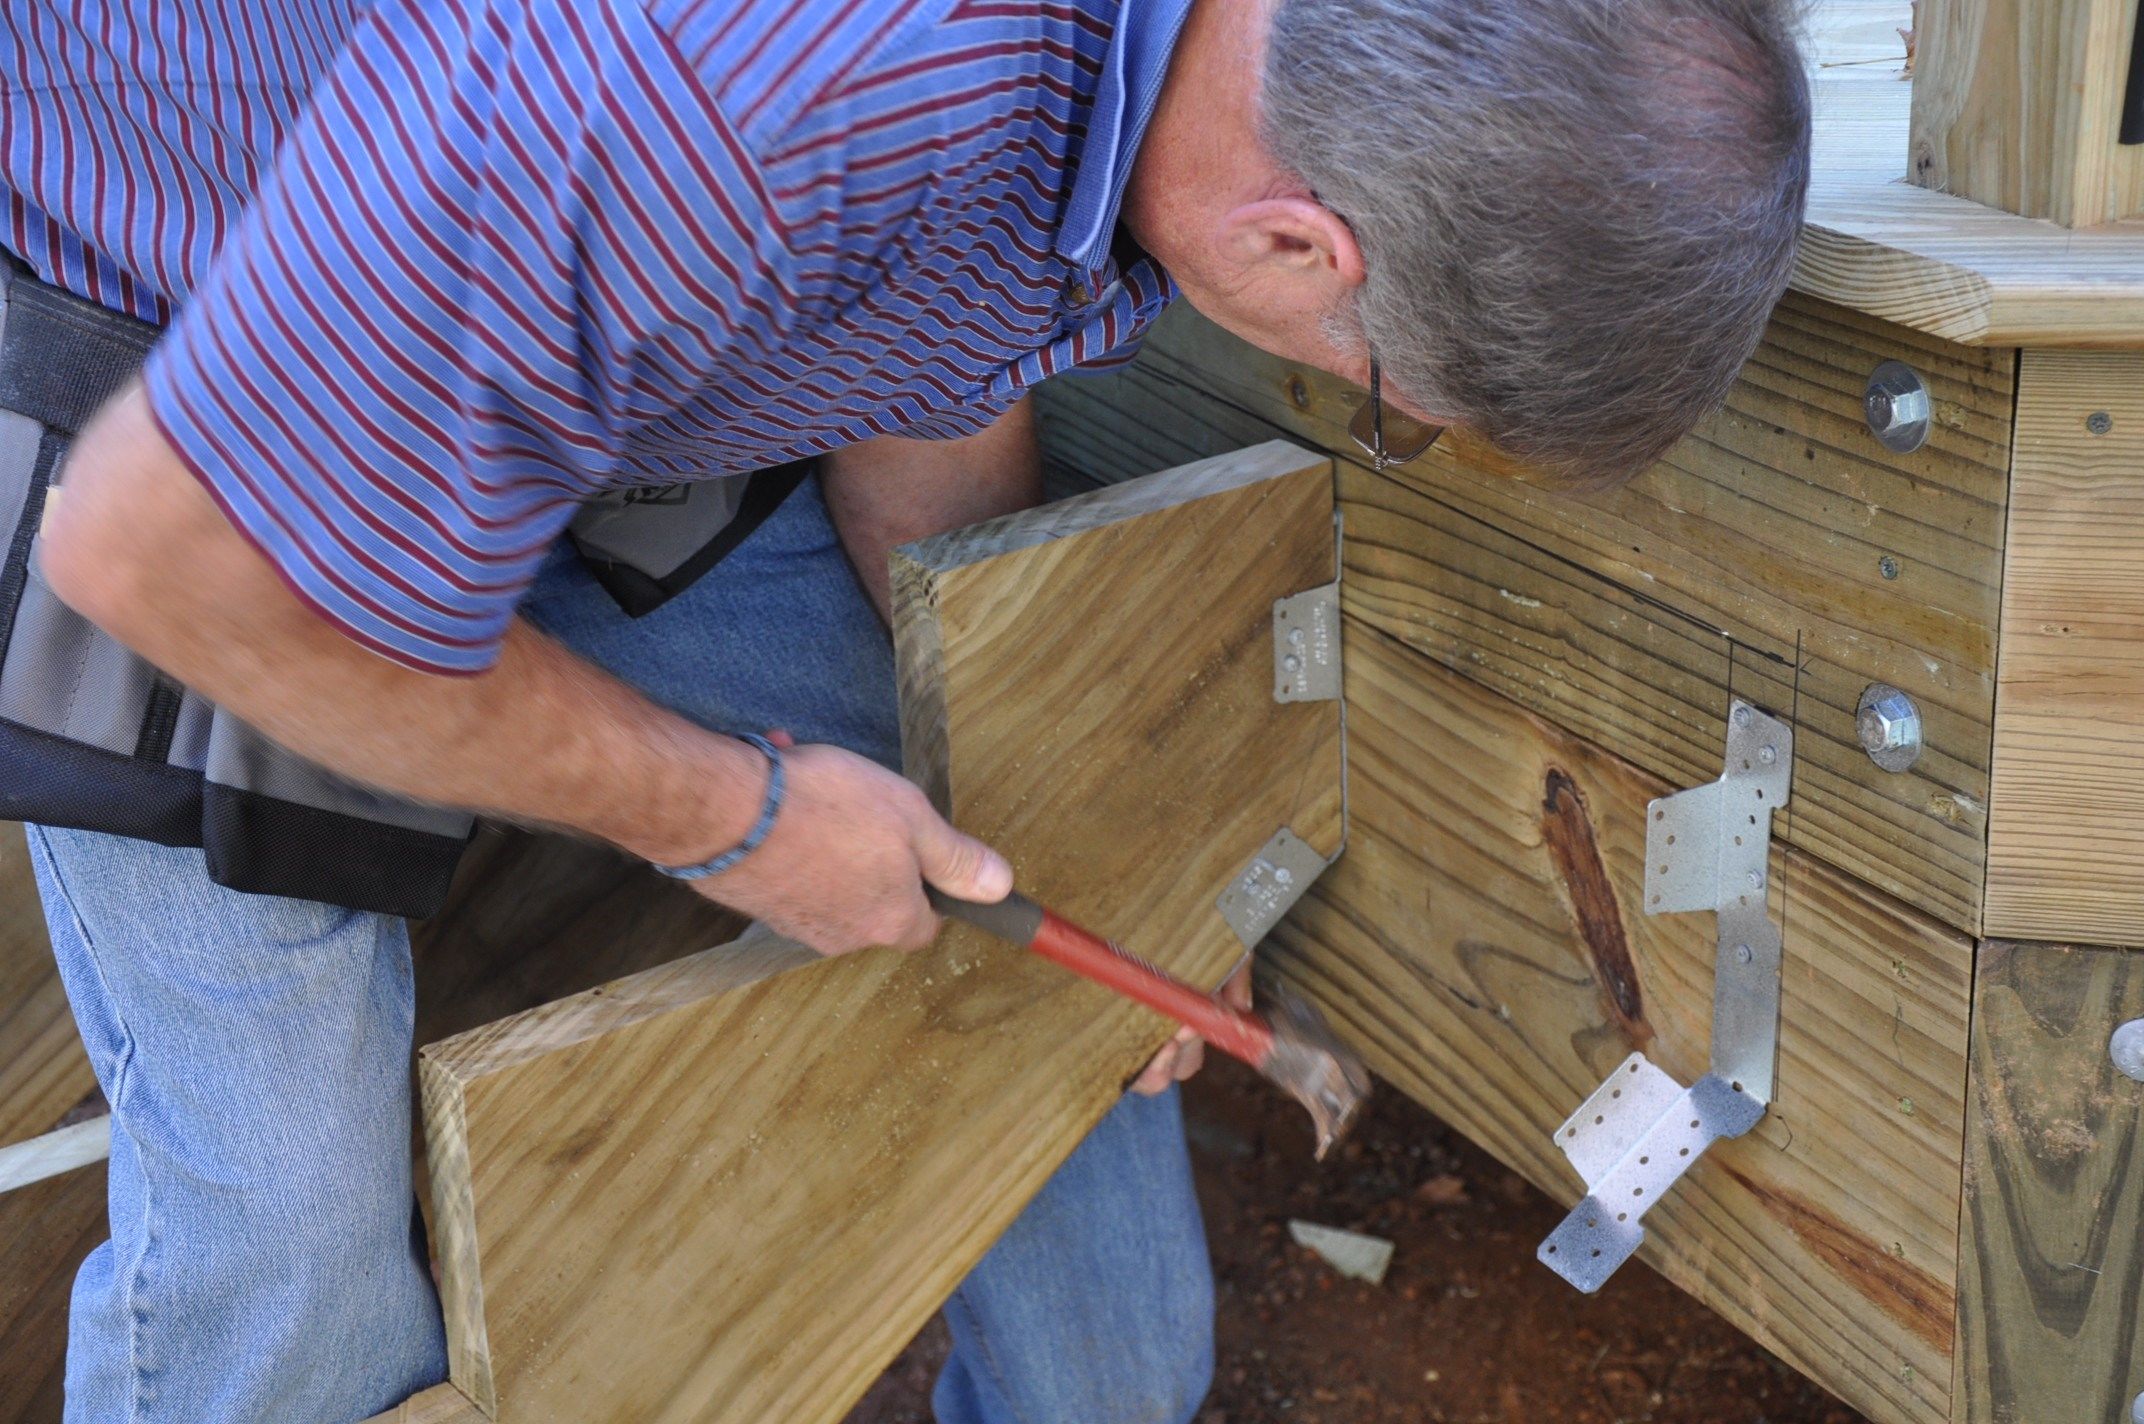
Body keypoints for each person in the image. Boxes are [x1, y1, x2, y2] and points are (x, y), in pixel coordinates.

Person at [0, 0, 1811, 1419]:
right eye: (1391, 401)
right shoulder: (745, 103)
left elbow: (922, 324)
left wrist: (1061, 804)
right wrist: (741, 819)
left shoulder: (1145, 80)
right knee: (287, 1246)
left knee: (1033, 926)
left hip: (611, 357)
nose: (1366, 407)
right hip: (190, 417)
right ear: (1304, 244)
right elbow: (171, 559)